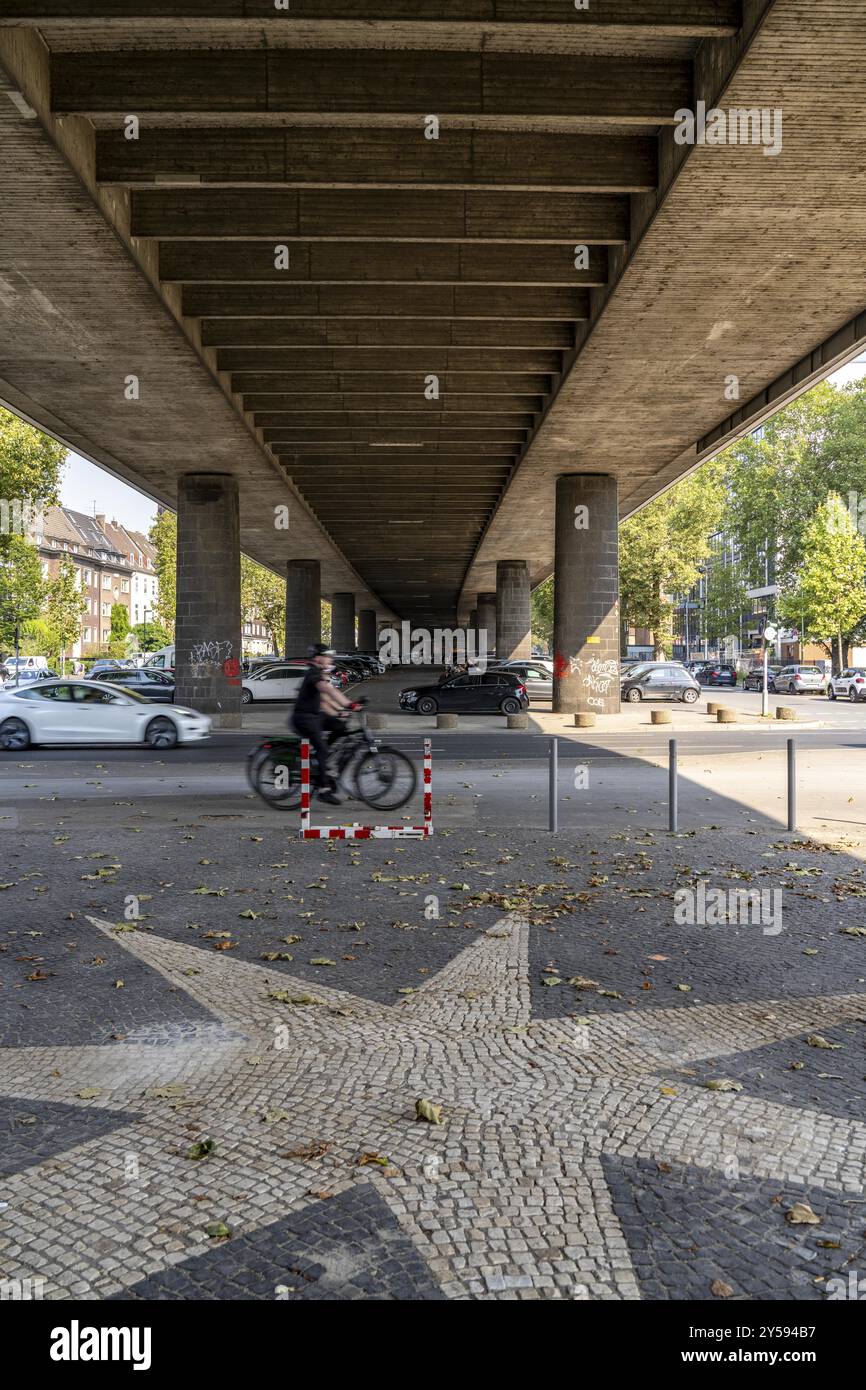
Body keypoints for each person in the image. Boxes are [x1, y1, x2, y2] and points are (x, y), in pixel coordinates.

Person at [291, 644, 354, 805]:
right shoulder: (313, 673)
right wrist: (349, 704)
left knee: (340, 727)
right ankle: (323, 789)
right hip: (303, 718)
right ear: (318, 657)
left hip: (315, 716)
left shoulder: (319, 673)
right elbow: (328, 691)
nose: (330, 659)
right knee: (322, 748)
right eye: (327, 656)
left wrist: (340, 712)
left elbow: (325, 701)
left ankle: (323, 760)